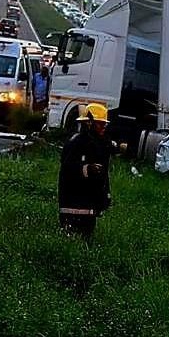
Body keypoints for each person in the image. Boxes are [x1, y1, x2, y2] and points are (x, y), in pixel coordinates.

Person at [58, 102, 111, 240]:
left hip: (89, 208)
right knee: (71, 241)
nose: (103, 128)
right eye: (100, 124)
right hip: (72, 207)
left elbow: (103, 174)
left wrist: (105, 197)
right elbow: (67, 171)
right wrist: (87, 169)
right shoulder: (76, 143)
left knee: (86, 240)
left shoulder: (98, 143)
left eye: (104, 125)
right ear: (89, 123)